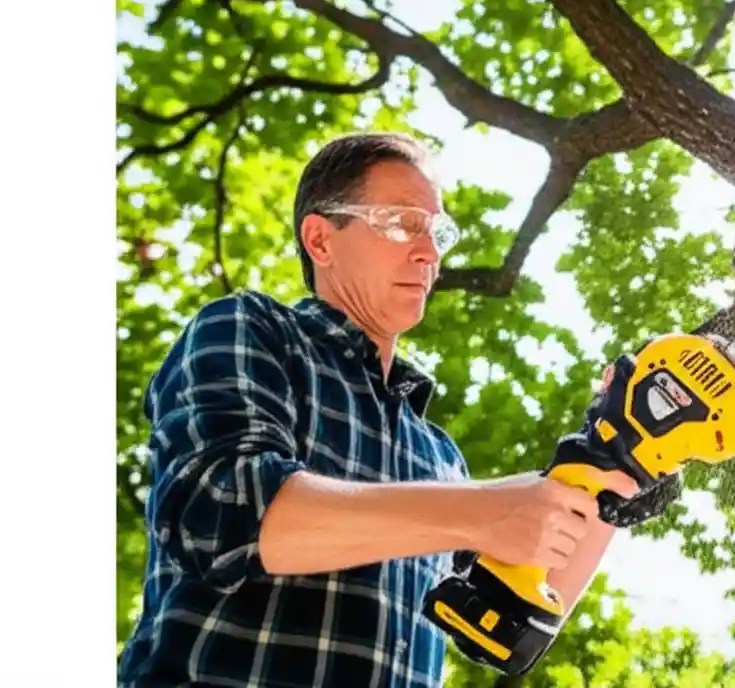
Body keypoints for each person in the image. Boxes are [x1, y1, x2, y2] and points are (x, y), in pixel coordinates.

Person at [117, 132, 639, 687]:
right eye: (401, 223)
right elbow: (222, 513)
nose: (430, 252)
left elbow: (509, 623)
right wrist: (485, 510)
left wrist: (621, 464)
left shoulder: (438, 456)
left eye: (436, 232)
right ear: (320, 240)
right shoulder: (253, 331)